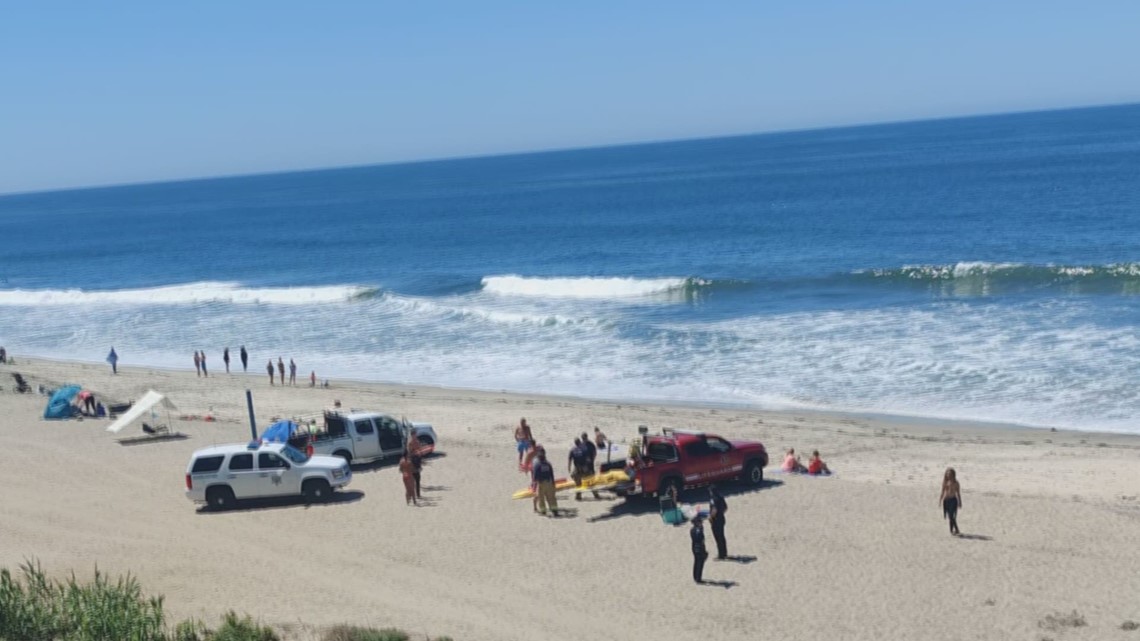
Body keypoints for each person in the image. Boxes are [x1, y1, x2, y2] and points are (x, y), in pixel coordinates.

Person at [532, 447, 559, 516]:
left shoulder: (537, 465)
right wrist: (553, 483)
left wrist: (534, 483)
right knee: (551, 497)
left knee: (541, 497)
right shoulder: (548, 464)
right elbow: (551, 474)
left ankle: (543, 511)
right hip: (549, 482)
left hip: (541, 483)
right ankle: (554, 510)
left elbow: (535, 476)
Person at [940, 468, 962, 536]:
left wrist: (960, 502)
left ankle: (954, 530)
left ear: (953, 475)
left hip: (953, 500)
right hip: (946, 500)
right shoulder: (945, 482)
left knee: (952, 516)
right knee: (949, 516)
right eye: (947, 474)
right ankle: (953, 530)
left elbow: (958, 493)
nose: (948, 475)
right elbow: (942, 491)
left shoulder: (956, 483)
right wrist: (940, 499)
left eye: (950, 474)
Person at [708, 485, 728, 560]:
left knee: (718, 537)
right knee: (722, 536)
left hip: (716, 520)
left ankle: (721, 555)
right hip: (722, 518)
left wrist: (710, 517)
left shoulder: (713, 499)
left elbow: (714, 509)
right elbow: (726, 508)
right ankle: (724, 552)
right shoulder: (721, 497)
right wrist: (721, 513)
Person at [579, 431, 601, 499]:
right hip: (586, 466)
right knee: (582, 481)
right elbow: (594, 453)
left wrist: (592, 460)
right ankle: (579, 495)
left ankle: (595, 494)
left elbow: (594, 453)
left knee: (590, 480)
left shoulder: (586, 445)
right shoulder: (587, 444)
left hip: (588, 466)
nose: (584, 439)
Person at [690, 515, 709, 584]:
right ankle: (698, 578)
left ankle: (696, 577)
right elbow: (699, 538)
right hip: (698, 548)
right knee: (699, 563)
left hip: (695, 547)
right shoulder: (697, 530)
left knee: (696, 562)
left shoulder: (693, 529)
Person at [407, 434, 423, 499]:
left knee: (415, 483)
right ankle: (416, 495)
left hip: (414, 469)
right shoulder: (410, 443)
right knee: (415, 483)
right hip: (414, 469)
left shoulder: (415, 443)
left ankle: (416, 495)